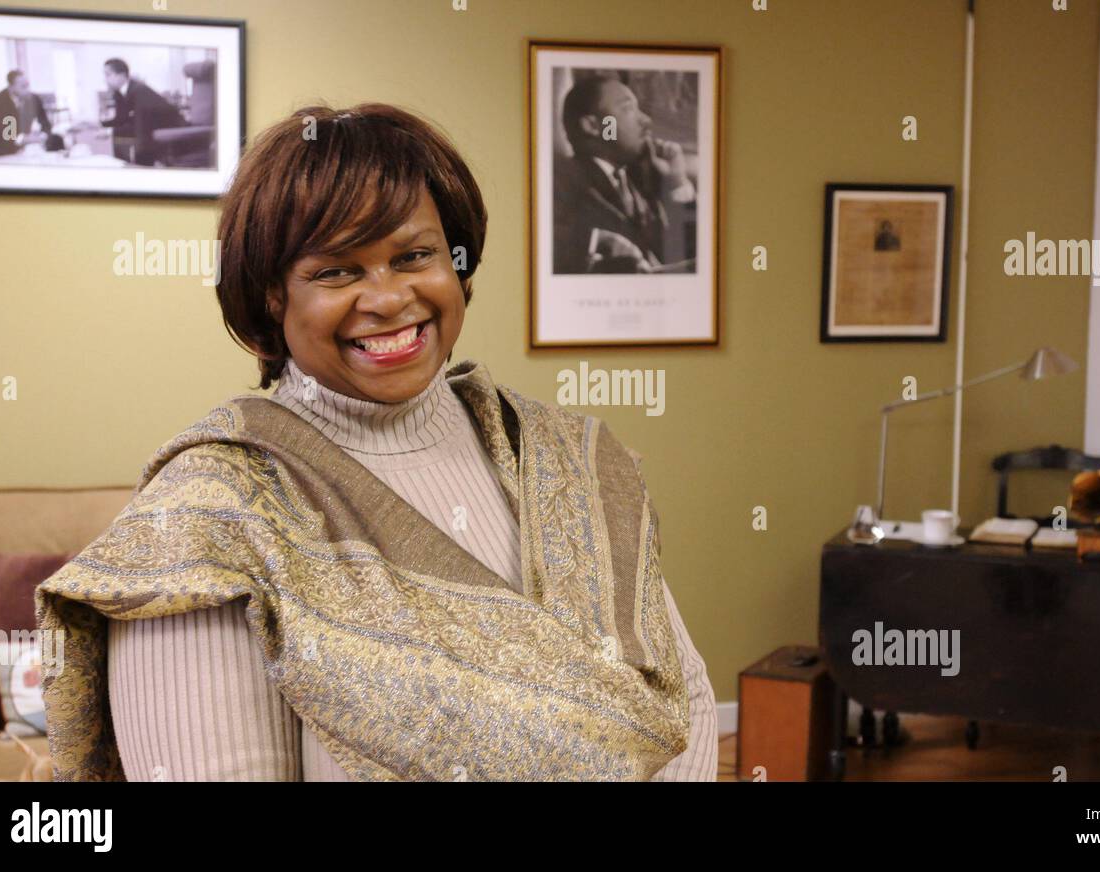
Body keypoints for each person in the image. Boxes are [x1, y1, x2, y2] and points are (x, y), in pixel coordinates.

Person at [37, 103, 718, 781]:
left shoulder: (573, 460)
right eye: (336, 271)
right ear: (273, 297)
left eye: (413, 255)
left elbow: (680, 703)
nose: (388, 298)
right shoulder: (204, 522)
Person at [553, 75, 697, 273]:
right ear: (595, 126)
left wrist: (677, 183)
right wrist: (595, 241)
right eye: (627, 108)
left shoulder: (640, 183)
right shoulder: (557, 183)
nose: (646, 120)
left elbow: (687, 253)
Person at [100, 58, 185, 166]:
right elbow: (121, 119)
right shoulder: (119, 93)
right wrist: (101, 124)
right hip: (149, 128)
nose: (105, 79)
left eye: (108, 75)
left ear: (122, 75)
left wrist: (109, 131)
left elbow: (141, 128)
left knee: (141, 156)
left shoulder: (139, 91)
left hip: (172, 128)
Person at [0, 70, 51, 157]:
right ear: (11, 87)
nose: (27, 90)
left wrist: (42, 135)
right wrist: (23, 139)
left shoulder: (34, 98)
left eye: (27, 85)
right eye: (23, 86)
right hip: (4, 148)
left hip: (28, 148)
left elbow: (45, 123)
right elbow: (2, 131)